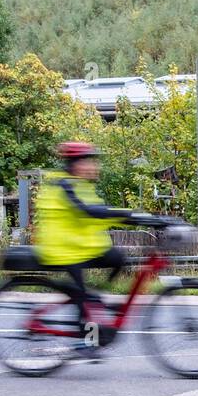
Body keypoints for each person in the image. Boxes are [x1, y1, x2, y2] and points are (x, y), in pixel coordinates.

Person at [33, 142, 138, 348]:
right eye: (88, 162)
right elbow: (87, 211)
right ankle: (87, 341)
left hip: (82, 247)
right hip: (63, 250)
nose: (93, 167)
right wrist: (126, 215)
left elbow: (100, 212)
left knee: (118, 259)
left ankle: (95, 298)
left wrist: (131, 217)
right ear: (74, 165)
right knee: (83, 299)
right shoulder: (63, 185)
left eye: (93, 162)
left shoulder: (82, 185)